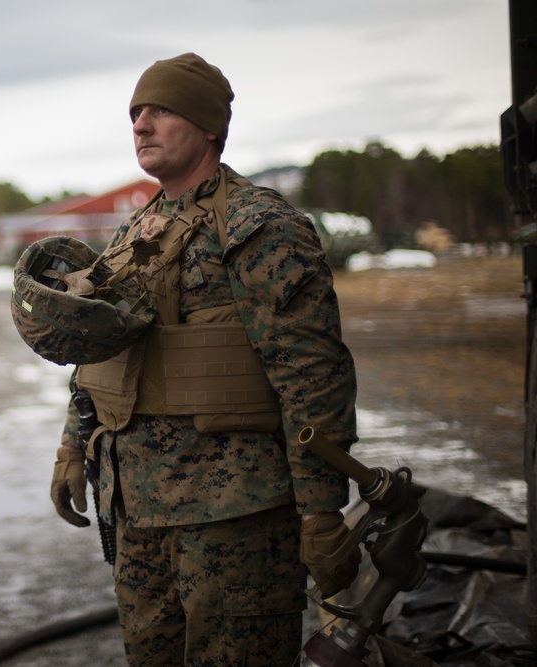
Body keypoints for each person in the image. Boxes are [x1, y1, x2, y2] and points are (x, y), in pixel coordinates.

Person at [48, 53, 362, 666]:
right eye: (136, 112)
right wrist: (72, 447)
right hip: (138, 515)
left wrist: (323, 511)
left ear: (209, 127)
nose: (140, 124)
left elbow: (312, 377)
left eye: (160, 111)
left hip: (236, 516)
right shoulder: (134, 232)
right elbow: (102, 356)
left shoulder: (259, 225)